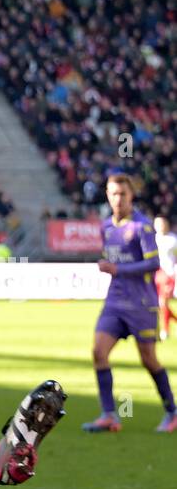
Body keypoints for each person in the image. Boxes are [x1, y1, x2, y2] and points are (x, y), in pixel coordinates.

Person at [82, 175, 176, 433]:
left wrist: (117, 269)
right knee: (98, 352)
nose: (117, 199)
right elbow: (112, 259)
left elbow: (153, 263)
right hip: (114, 302)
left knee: (149, 360)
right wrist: (109, 267)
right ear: (107, 195)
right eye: (113, 193)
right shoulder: (106, 228)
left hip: (141, 304)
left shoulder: (142, 226)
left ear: (131, 195)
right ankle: (109, 414)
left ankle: (172, 411)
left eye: (122, 194)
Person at [154, 216, 175, 341]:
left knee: (163, 302)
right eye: (157, 224)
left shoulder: (173, 239)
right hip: (156, 274)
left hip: (168, 274)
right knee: (158, 304)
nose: (160, 226)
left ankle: (164, 331)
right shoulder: (153, 239)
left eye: (162, 223)